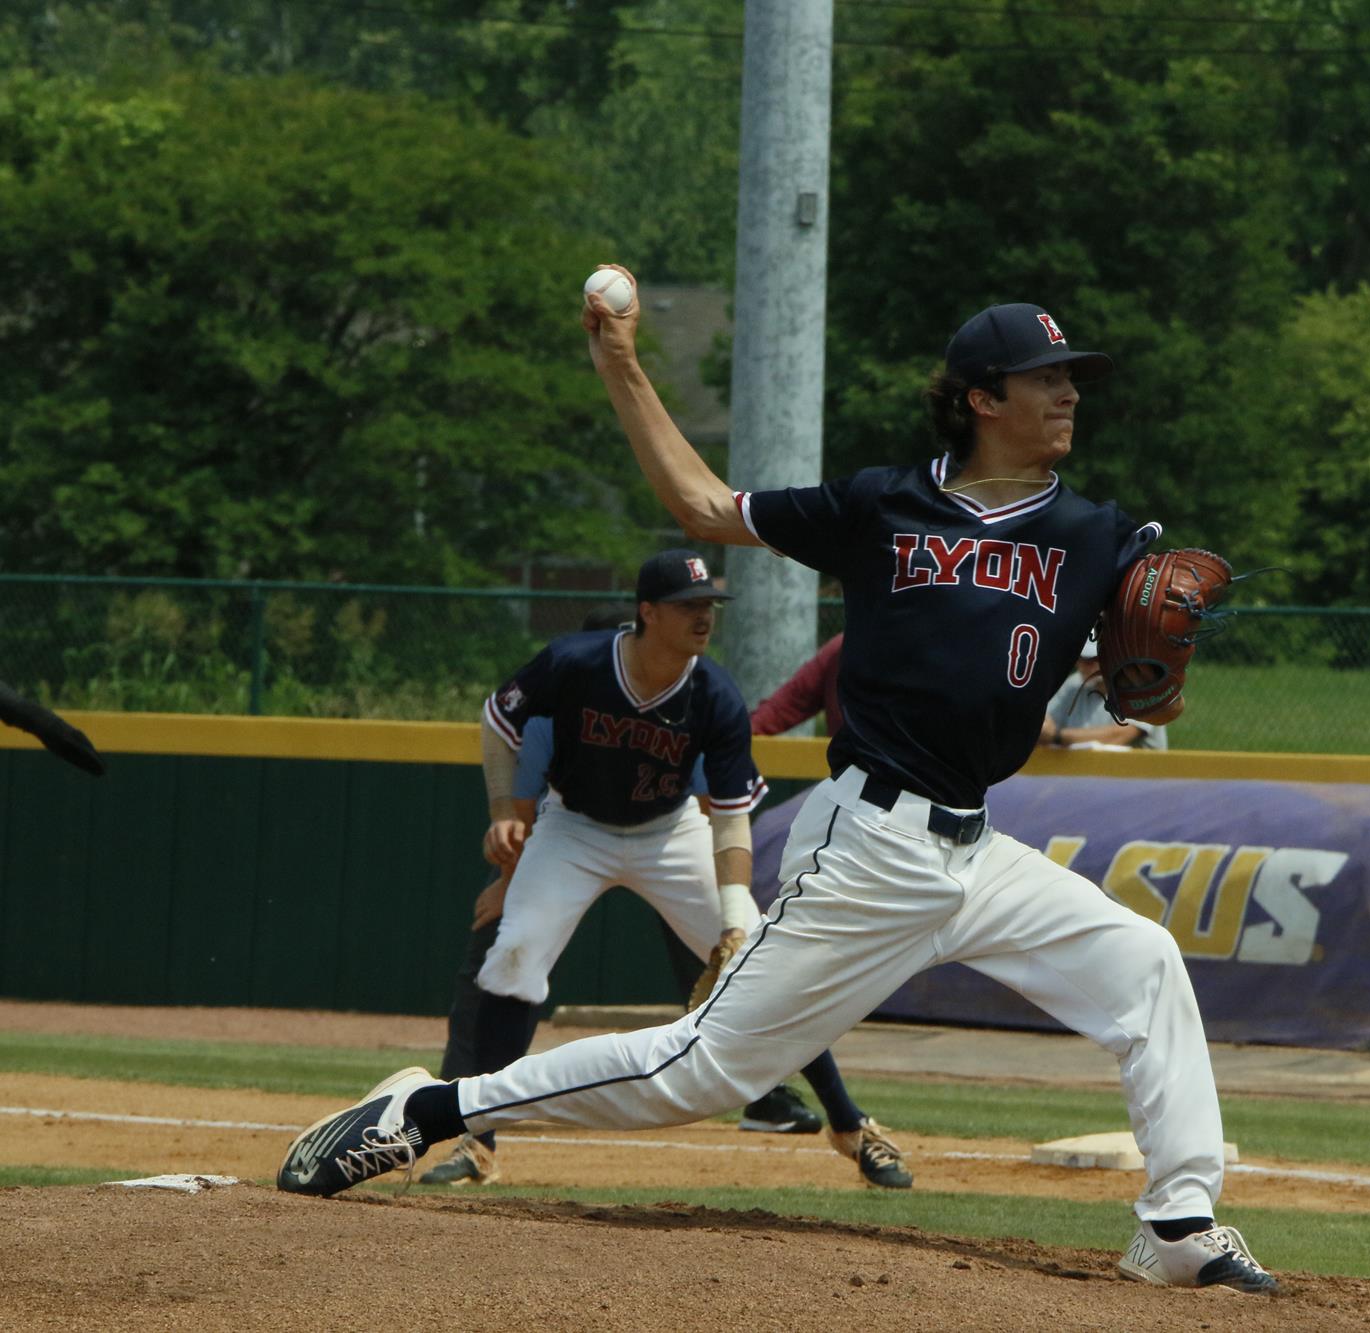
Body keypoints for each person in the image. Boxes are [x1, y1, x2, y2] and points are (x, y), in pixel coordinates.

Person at [277, 282, 1275, 1294]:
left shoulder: (1093, 534)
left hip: (974, 849)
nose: (1069, 394)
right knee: (700, 1070)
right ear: (981, 397)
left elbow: (1151, 658)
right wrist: (619, 359)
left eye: (1073, 379)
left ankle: (1178, 1222)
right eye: (1047, 377)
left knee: (1144, 962)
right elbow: (701, 506)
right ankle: (424, 1111)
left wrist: (1156, 666)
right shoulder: (882, 504)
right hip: (872, 842)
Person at [411, 557, 908, 1190]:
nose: (704, 615)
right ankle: (478, 1144)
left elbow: (730, 822)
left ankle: (851, 1126)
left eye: (710, 604)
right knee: (514, 957)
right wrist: (502, 810)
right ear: (647, 612)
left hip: (669, 833)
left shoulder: (716, 695)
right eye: (687, 604)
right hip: (575, 827)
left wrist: (733, 919)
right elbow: (497, 719)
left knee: (766, 967)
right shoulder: (576, 663)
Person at [1038, 632, 1167, 751]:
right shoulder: (1074, 684)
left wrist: (1057, 736)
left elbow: (1119, 735)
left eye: (1090, 660)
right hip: (1085, 773)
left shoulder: (1141, 686)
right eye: (1079, 658)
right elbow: (1044, 724)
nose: (1082, 665)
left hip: (1139, 774)